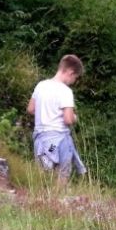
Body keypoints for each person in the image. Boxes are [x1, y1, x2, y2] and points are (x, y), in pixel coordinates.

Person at [28, 54, 86, 183]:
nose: (74, 81)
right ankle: (59, 199)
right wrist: (74, 117)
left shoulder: (41, 85)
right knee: (62, 173)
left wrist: (46, 111)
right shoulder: (65, 91)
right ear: (71, 72)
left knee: (43, 176)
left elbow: (31, 109)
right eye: (75, 78)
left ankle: (40, 201)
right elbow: (68, 119)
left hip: (42, 140)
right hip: (59, 140)